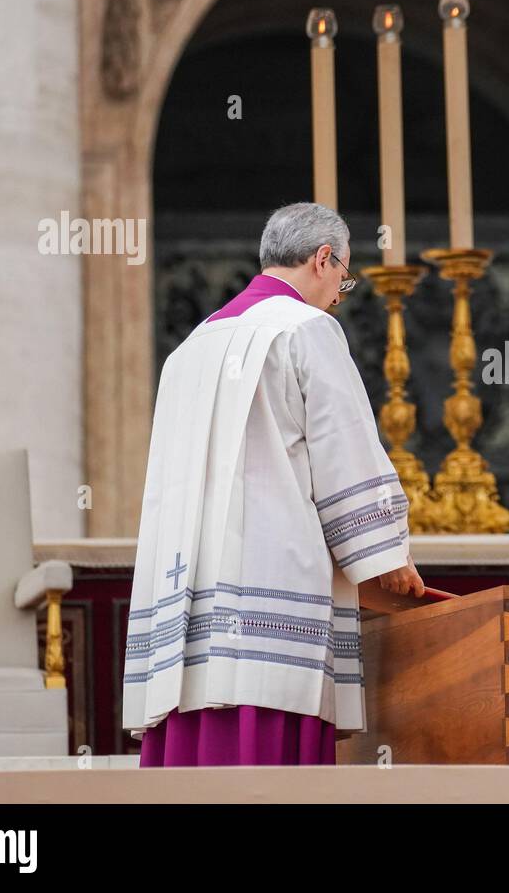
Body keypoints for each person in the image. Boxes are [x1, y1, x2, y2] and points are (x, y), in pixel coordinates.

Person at [124, 202, 423, 766]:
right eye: (344, 277)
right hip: (275, 579)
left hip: (186, 599)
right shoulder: (309, 330)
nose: (340, 292)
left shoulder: (189, 349)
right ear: (323, 258)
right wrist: (385, 551)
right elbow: (344, 446)